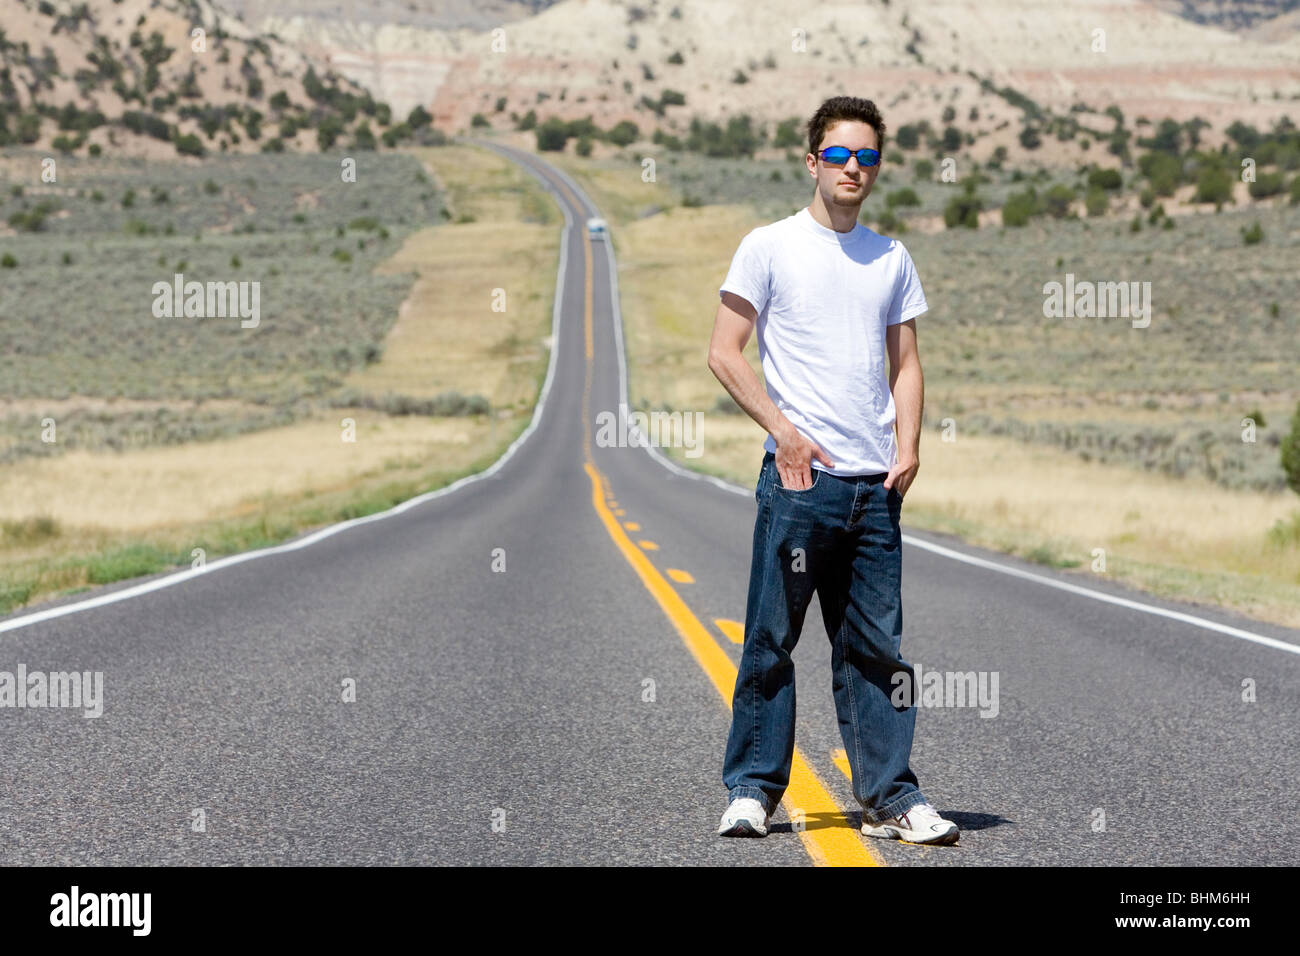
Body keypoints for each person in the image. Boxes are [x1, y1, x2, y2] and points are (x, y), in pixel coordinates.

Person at [706, 95, 958, 845]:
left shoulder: (891, 257)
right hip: (799, 485)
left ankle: (892, 799)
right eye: (841, 155)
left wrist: (908, 446)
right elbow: (725, 351)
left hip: (875, 491)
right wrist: (784, 434)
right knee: (769, 639)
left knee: (880, 651)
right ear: (813, 161)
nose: (855, 169)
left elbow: (906, 363)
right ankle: (752, 791)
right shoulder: (769, 246)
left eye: (868, 158)